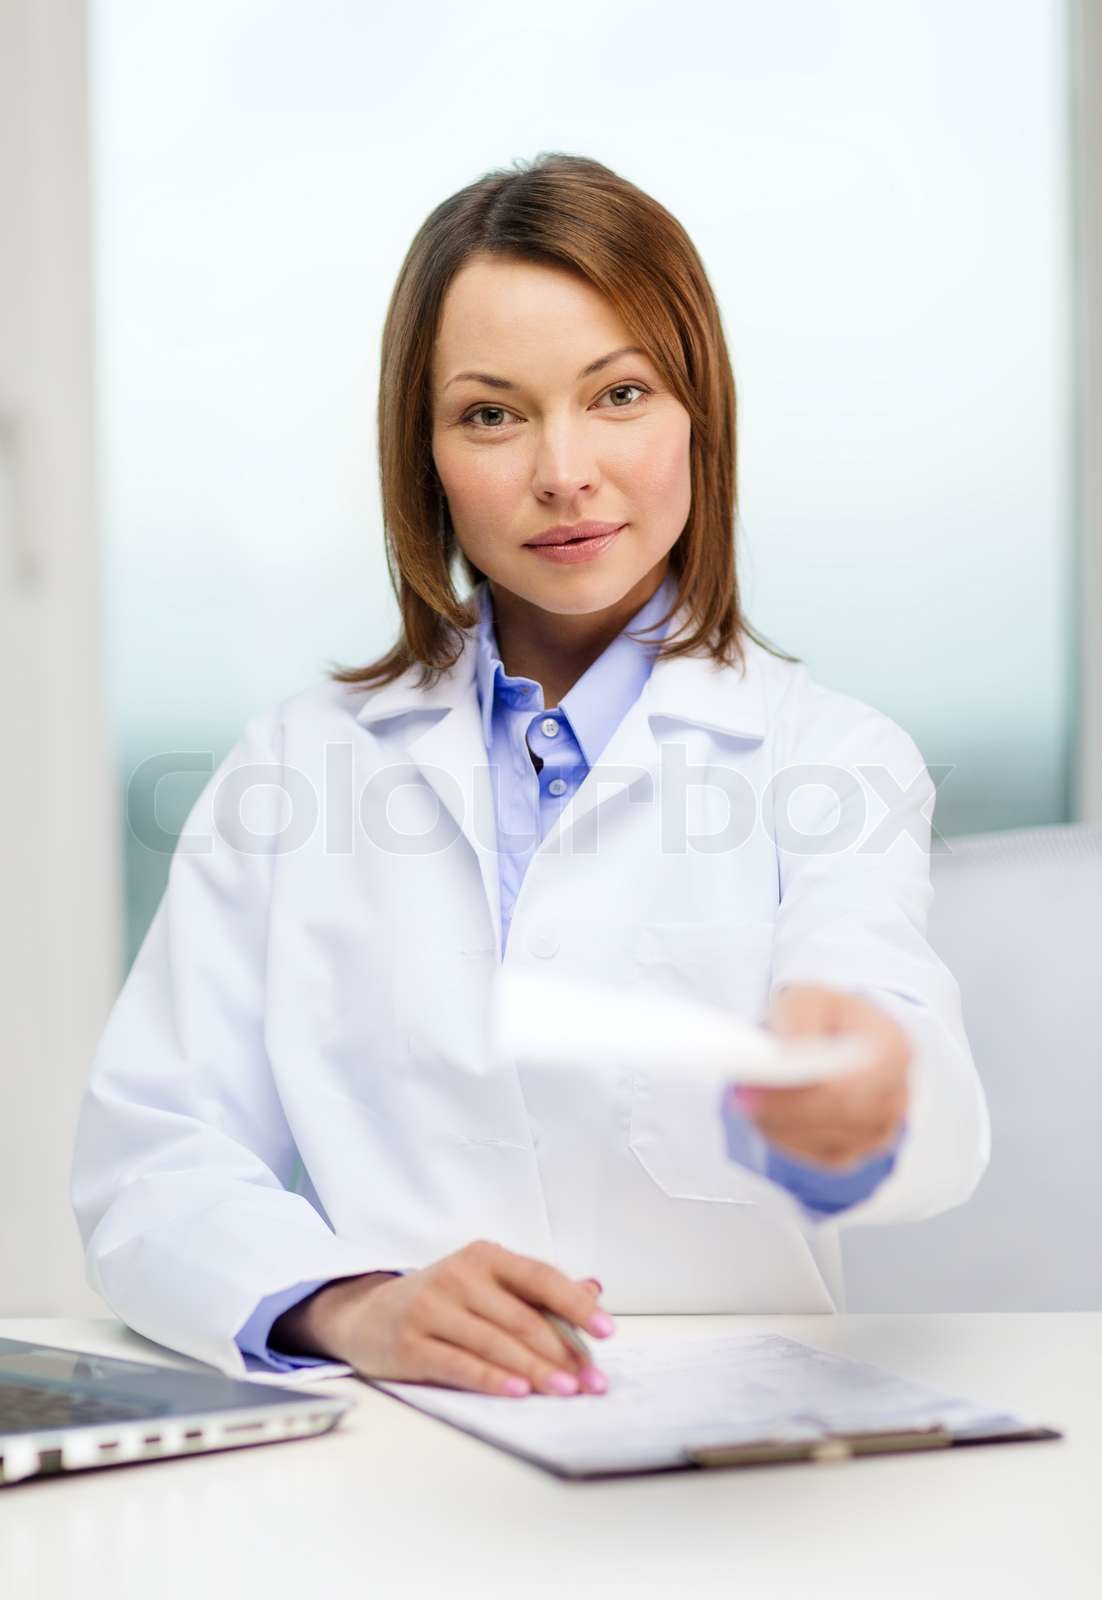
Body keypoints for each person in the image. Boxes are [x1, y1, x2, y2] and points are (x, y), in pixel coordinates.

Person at [71, 153, 989, 1401]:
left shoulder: (829, 757)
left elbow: (889, 1033)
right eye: (491, 414)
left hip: (729, 1450)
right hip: (391, 1436)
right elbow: (153, 1161)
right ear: (426, 454)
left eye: (618, 394)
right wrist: (358, 1306)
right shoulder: (293, 766)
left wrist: (859, 1100)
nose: (562, 470)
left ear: (698, 413)